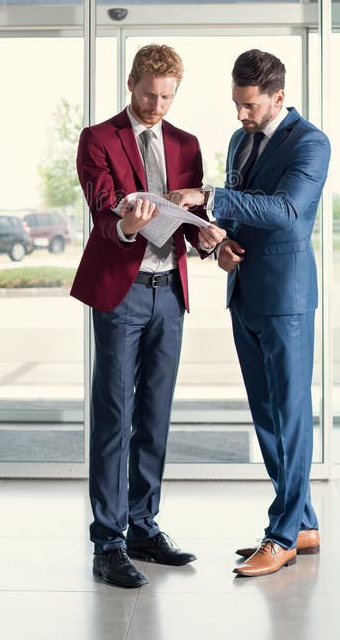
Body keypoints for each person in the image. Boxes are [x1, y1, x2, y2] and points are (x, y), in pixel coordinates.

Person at [170, 49, 330, 577]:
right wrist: (220, 245)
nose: (241, 115)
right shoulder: (241, 140)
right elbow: (241, 213)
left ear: (278, 97)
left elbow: (285, 212)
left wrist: (209, 195)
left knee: (290, 415)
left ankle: (281, 537)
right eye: (236, 104)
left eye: (251, 106)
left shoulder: (311, 143)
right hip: (244, 291)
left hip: (286, 299)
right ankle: (303, 524)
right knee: (266, 416)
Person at [70, 44, 225, 589]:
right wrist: (128, 225)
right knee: (115, 414)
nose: (156, 106)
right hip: (122, 292)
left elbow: (188, 218)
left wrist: (205, 236)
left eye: (166, 97)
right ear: (131, 83)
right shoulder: (98, 138)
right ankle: (108, 542)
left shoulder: (186, 143)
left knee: (155, 414)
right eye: (148, 94)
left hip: (170, 293)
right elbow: (102, 208)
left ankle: (142, 526)